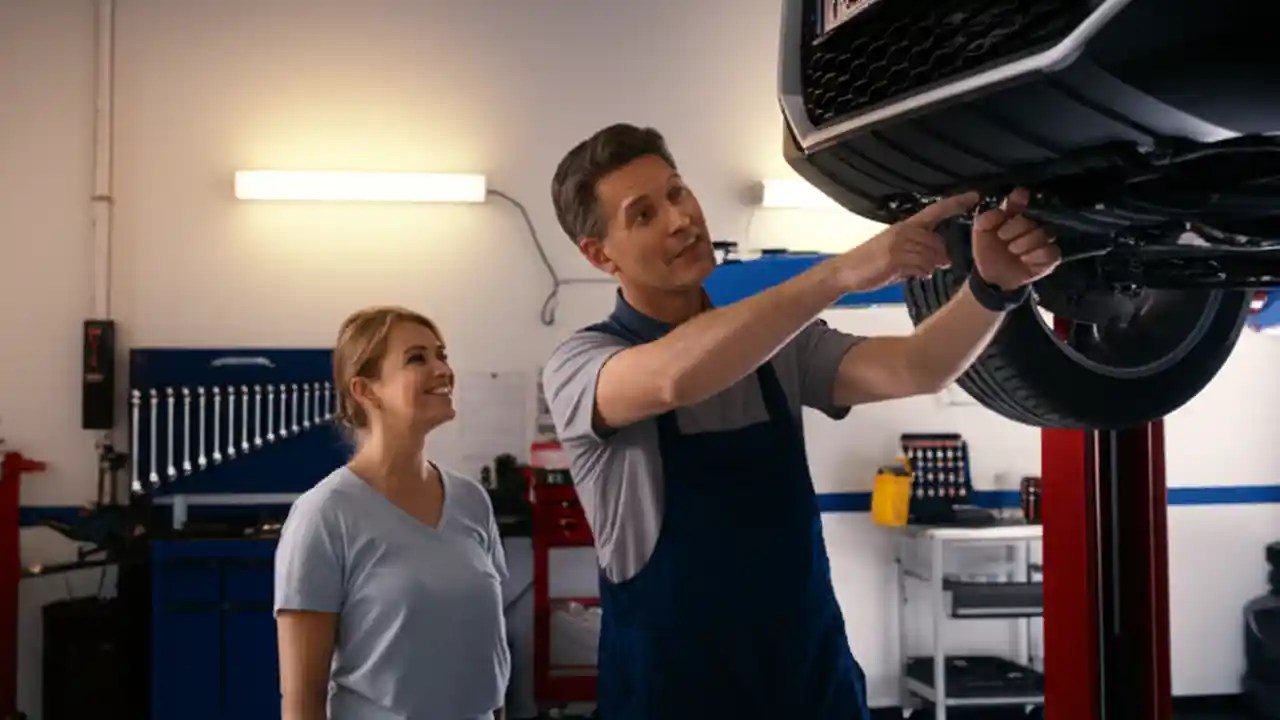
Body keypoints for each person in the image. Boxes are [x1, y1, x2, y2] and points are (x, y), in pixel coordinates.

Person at [541, 124, 1061, 720]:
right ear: (599, 254)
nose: (679, 219)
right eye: (643, 215)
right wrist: (839, 273)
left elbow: (917, 367)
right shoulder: (582, 366)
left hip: (807, 679)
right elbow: (672, 378)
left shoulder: (777, 345)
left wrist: (992, 289)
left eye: (678, 192)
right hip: (675, 692)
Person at [274, 306, 510, 720]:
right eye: (417, 358)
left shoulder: (472, 500)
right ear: (366, 390)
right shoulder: (325, 515)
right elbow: (302, 699)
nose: (442, 369)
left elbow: (487, 657)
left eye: (442, 354)